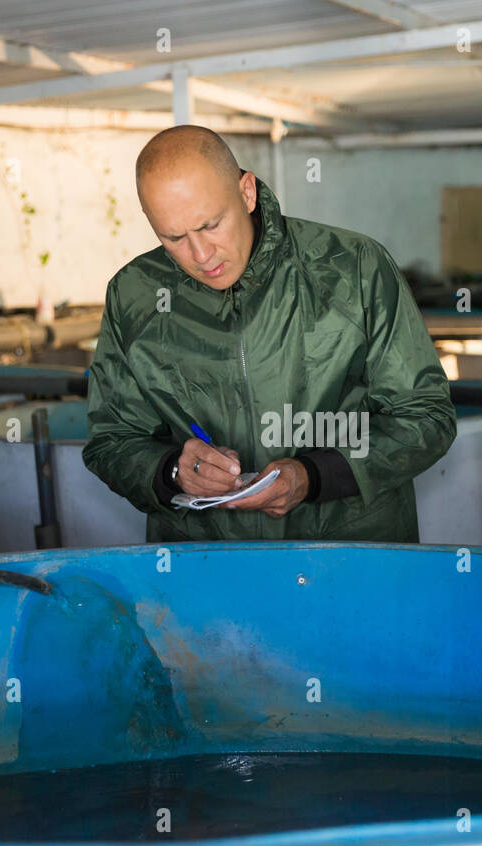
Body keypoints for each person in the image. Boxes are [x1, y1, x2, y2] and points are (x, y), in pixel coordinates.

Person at [83, 125, 456, 542]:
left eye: (211, 224)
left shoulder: (353, 268)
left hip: (347, 556)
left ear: (246, 193)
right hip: (205, 568)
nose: (201, 255)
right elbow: (111, 440)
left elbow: (426, 416)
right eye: (174, 237)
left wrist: (313, 476)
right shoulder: (134, 295)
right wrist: (171, 470)